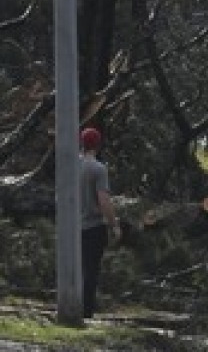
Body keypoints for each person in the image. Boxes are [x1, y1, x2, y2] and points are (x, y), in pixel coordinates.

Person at [79, 127, 120, 319]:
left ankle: (71, 303)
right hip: (93, 226)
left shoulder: (71, 166)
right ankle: (86, 312)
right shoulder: (98, 169)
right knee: (91, 270)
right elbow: (104, 201)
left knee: (76, 268)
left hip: (73, 227)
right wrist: (114, 224)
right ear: (98, 145)